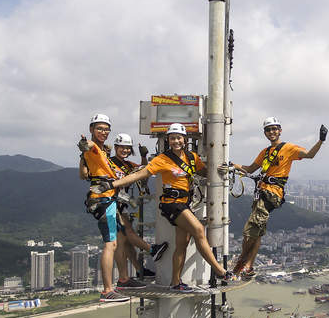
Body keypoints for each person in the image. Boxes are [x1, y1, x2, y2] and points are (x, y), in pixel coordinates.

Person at [102, 123, 228, 290]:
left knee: (182, 243)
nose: (176, 141)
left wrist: (221, 168)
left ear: (185, 139)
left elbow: (205, 172)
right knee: (198, 230)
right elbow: (140, 174)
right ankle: (220, 271)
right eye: (172, 138)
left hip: (185, 202)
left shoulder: (192, 158)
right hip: (172, 204)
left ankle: (175, 282)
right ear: (168, 140)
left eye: (178, 138)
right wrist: (113, 184)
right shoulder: (162, 159)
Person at [229, 117, 326, 277]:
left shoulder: (289, 148)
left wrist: (320, 141)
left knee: (250, 230)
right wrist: (232, 165)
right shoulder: (265, 152)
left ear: (280, 130)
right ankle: (249, 266)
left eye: (274, 129)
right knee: (257, 232)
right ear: (265, 133)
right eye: (268, 129)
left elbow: (309, 155)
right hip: (262, 192)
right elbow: (250, 169)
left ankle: (242, 263)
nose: (272, 132)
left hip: (272, 193)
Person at [78, 113, 145, 302]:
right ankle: (107, 290)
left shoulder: (103, 152)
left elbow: (83, 174)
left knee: (118, 241)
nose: (103, 132)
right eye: (99, 128)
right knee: (111, 244)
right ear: (91, 129)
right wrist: (84, 145)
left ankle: (123, 279)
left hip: (108, 199)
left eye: (106, 129)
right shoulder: (94, 147)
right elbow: (87, 147)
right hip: (103, 199)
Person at [109, 133, 168, 279]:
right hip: (110, 202)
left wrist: (144, 156)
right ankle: (152, 250)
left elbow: (143, 173)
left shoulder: (129, 165)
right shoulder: (109, 163)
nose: (125, 150)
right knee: (127, 231)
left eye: (128, 148)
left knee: (127, 241)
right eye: (122, 147)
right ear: (115, 147)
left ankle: (139, 269)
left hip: (121, 203)